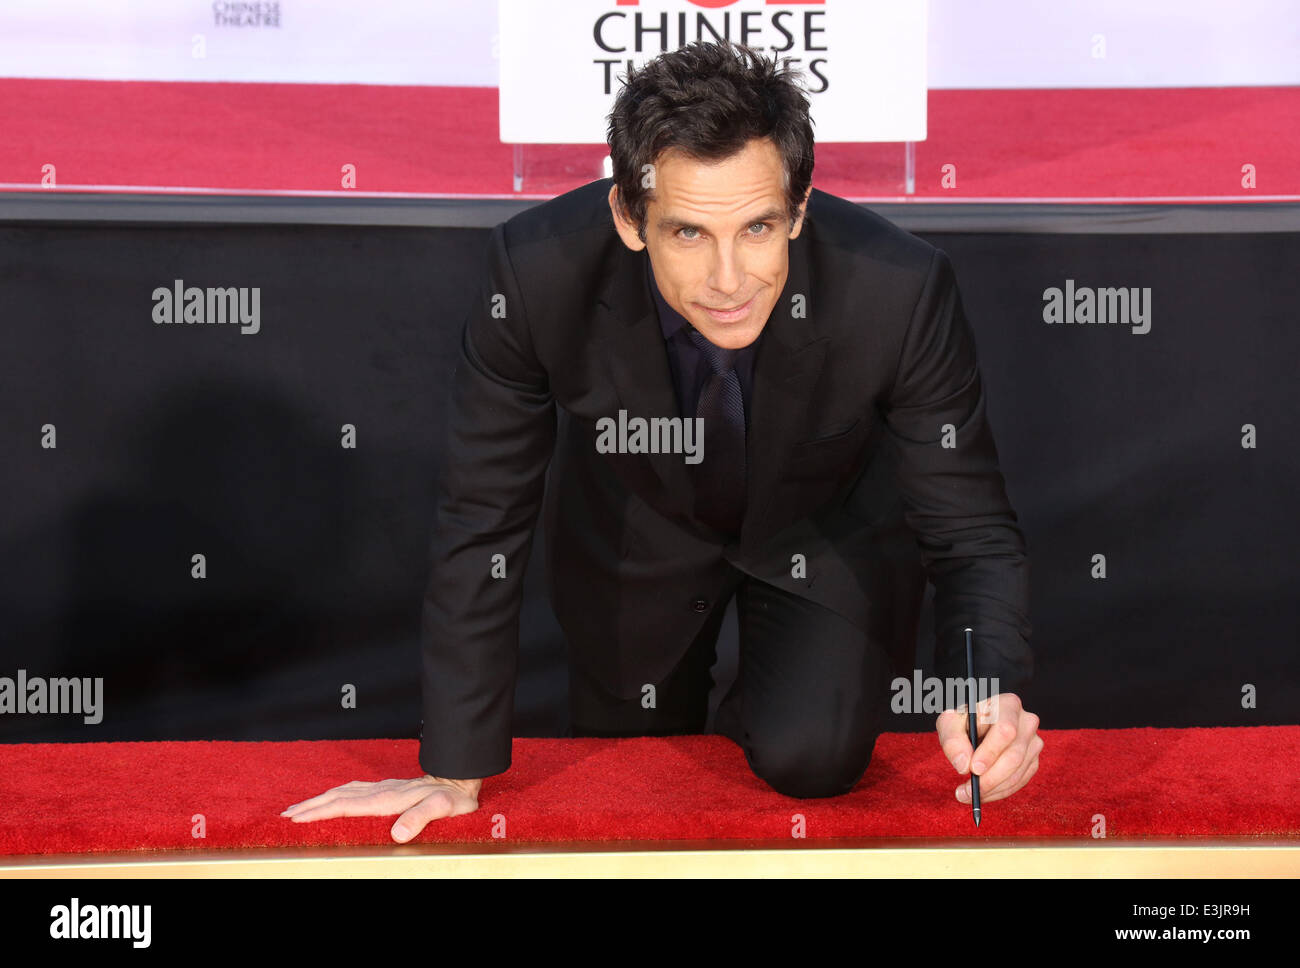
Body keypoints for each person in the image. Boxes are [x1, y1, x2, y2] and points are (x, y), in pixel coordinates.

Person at [283, 41, 1043, 843]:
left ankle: (771, 704)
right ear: (627, 216)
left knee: (812, 760)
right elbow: (482, 519)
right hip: (633, 522)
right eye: (687, 233)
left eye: (758, 227)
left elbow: (971, 531)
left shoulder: (900, 289)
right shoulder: (534, 274)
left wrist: (983, 686)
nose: (728, 278)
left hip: (821, 527)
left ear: (801, 207)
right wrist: (452, 767)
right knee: (636, 773)